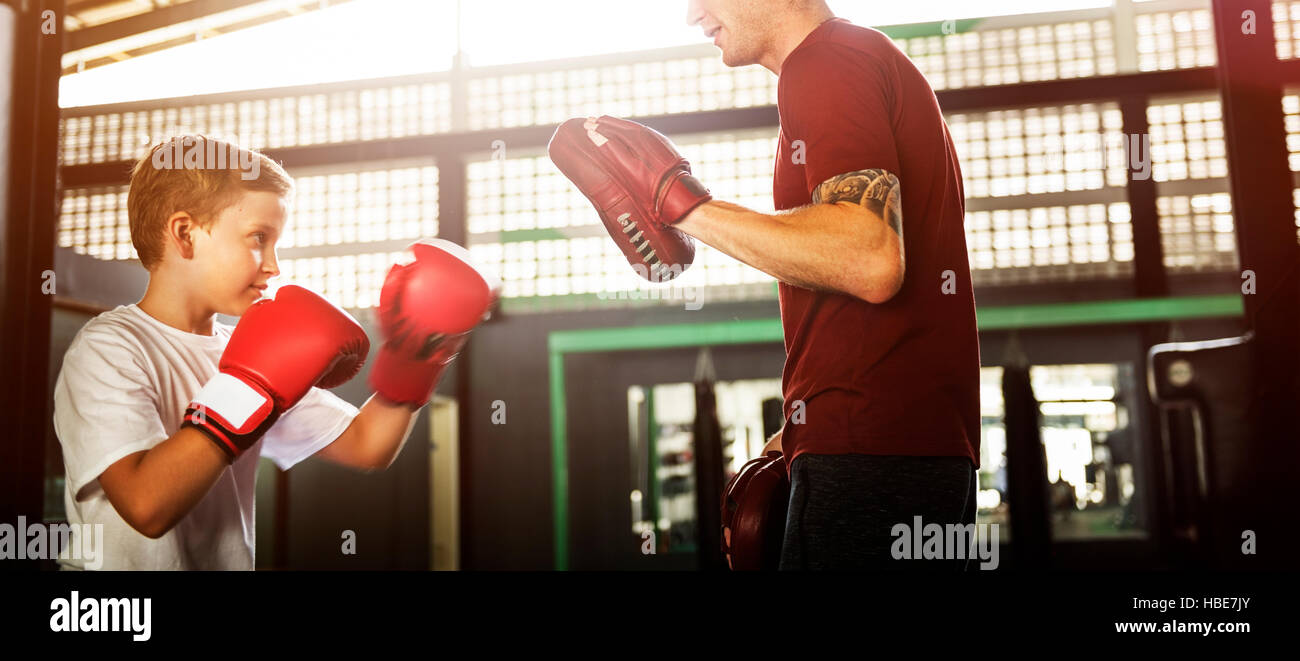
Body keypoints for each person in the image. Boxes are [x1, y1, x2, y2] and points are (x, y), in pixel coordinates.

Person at [52, 135, 497, 570]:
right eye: (258, 237)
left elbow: (368, 445)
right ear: (185, 234)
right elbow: (146, 506)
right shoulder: (110, 348)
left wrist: (417, 353)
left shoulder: (248, 348)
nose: (274, 264)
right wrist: (252, 386)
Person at [677, 0, 981, 569]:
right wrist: (798, 431)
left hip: (869, 453)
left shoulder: (827, 62)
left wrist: (682, 207)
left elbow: (868, 258)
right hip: (905, 451)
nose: (693, 14)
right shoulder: (857, 58)